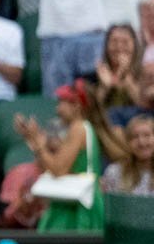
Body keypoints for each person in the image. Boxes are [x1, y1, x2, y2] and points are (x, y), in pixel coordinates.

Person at [17, 82, 122, 232]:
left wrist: (39, 144)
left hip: (76, 209)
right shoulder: (83, 128)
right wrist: (34, 140)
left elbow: (57, 170)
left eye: (62, 103)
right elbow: (49, 166)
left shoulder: (78, 128)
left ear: (77, 105)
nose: (57, 109)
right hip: (73, 202)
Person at [103, 114, 154, 196]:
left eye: (147, 135)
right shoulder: (114, 172)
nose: (141, 142)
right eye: (135, 137)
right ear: (128, 142)